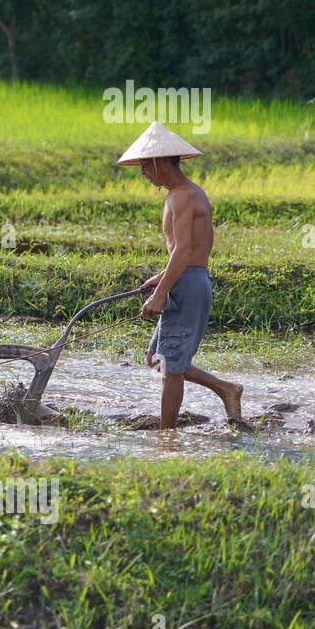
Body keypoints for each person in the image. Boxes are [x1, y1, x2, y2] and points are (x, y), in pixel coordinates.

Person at [117, 122, 244, 429]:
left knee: (171, 368)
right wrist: (160, 279)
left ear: (161, 162)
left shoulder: (183, 196)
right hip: (185, 278)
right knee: (156, 359)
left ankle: (167, 437)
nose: (144, 173)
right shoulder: (180, 194)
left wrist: (161, 293)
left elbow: (185, 251)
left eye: (146, 166)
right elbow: (186, 251)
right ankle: (226, 389)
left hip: (188, 284)